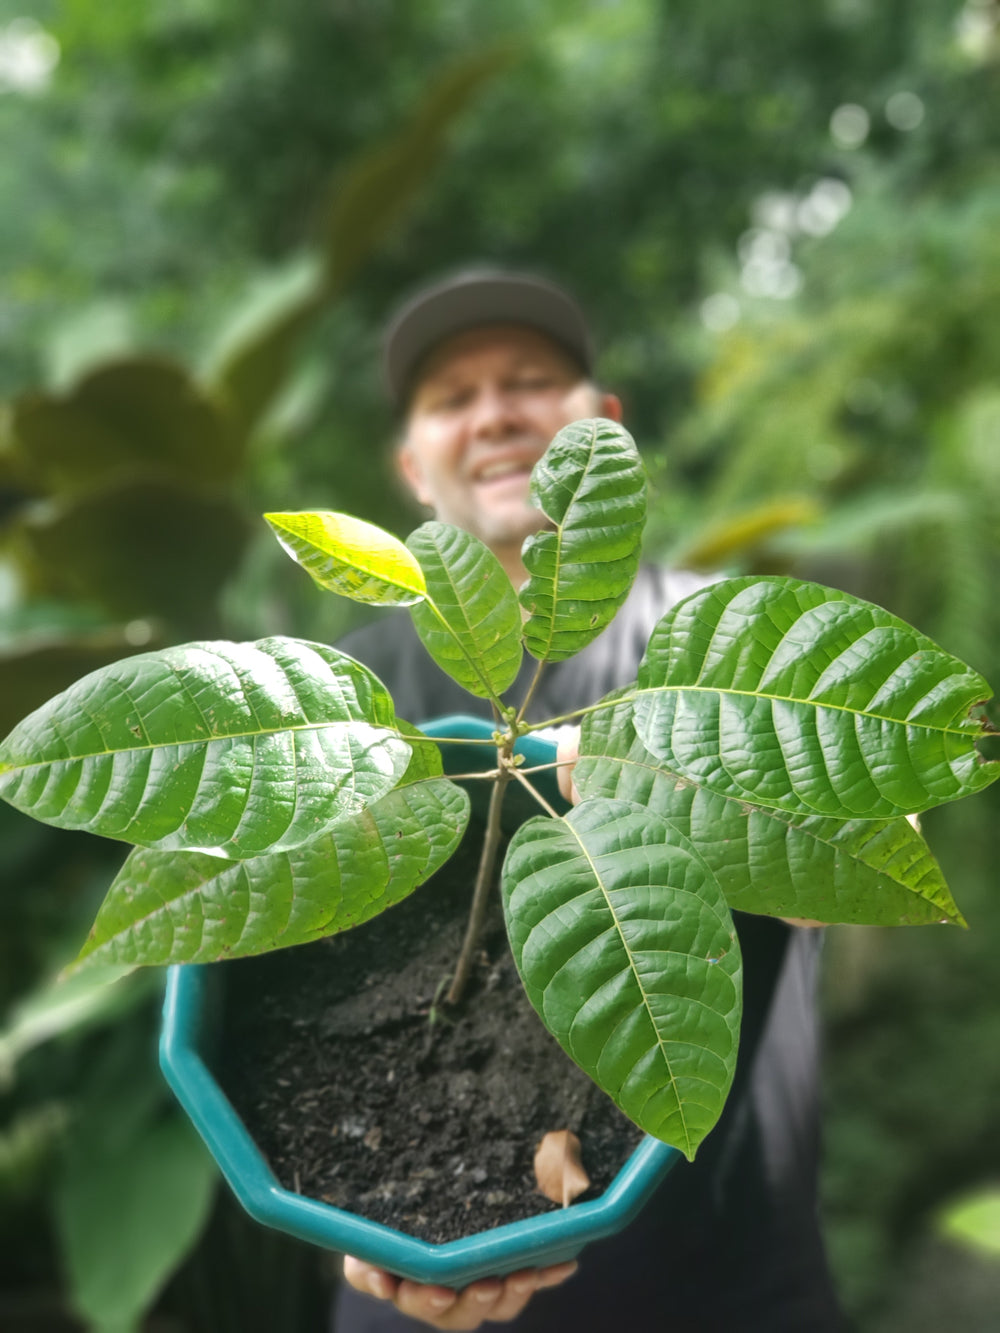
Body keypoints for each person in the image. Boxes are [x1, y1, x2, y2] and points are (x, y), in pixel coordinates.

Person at [330, 269, 847, 1332]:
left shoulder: (727, 645)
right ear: (410, 468)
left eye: (529, 381)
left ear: (604, 428)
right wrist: (366, 1220)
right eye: (451, 398)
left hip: (724, 1285)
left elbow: (867, 838)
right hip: (428, 1270)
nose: (495, 414)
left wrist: (670, 771)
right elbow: (290, 992)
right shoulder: (349, 703)